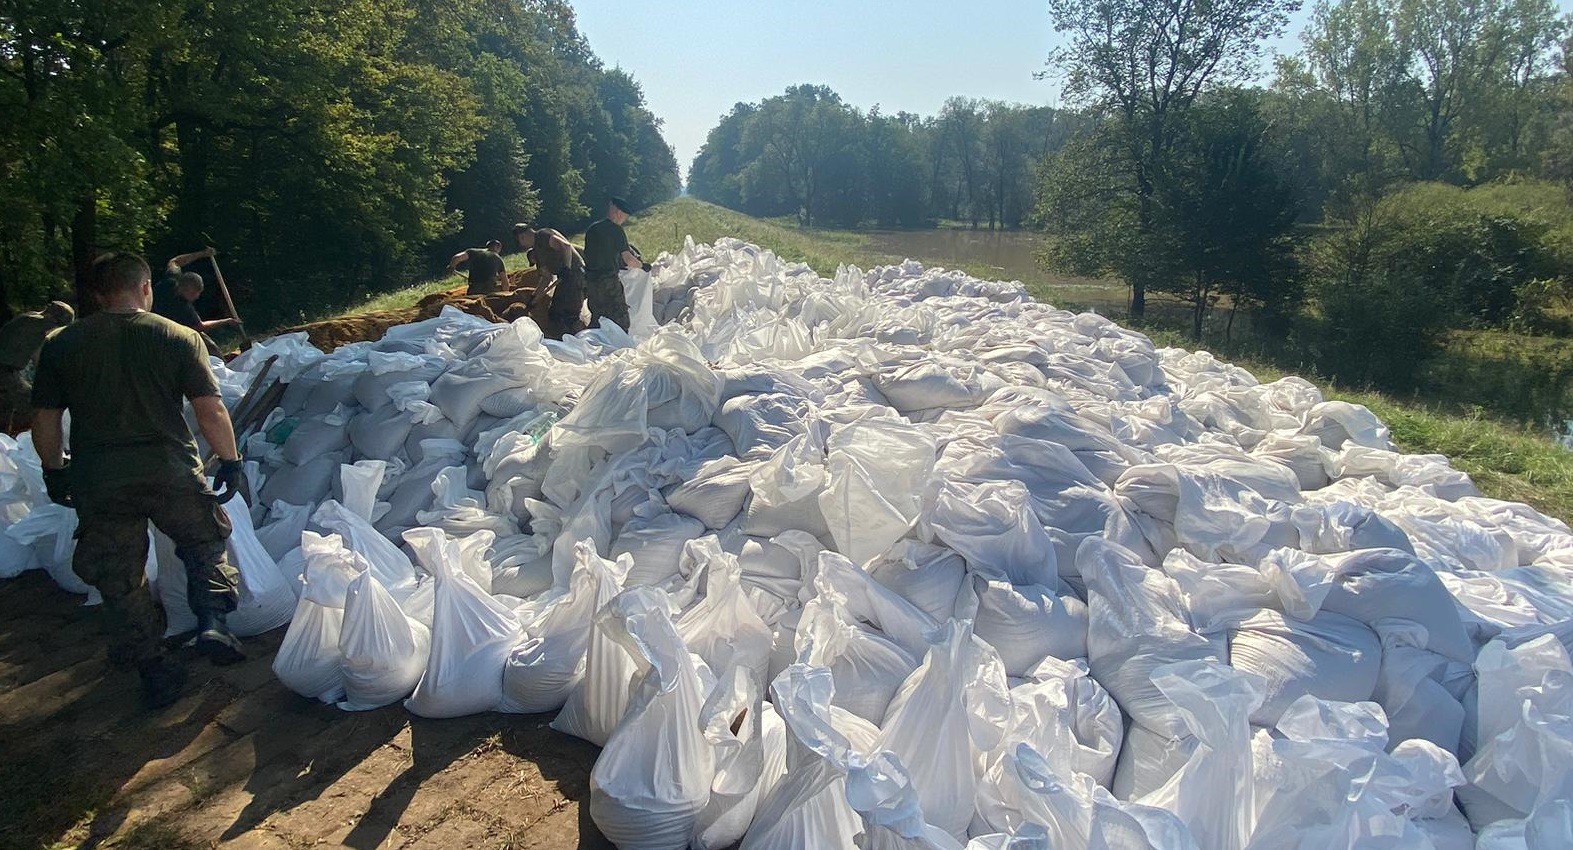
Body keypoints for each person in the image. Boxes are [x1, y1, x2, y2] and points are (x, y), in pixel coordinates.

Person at [31, 253, 251, 709]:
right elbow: (210, 408)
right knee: (204, 543)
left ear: (95, 295)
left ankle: (153, 668)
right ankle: (213, 621)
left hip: (101, 479)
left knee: (121, 576)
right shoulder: (176, 336)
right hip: (170, 468)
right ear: (146, 287)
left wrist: (54, 470)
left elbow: (46, 419)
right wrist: (230, 460)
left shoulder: (62, 345)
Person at [0, 301, 75, 432]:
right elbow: (40, 361)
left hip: (7, 370)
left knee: (6, 405)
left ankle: (4, 437)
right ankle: (26, 440)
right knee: (34, 404)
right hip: (5, 371)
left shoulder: (26, 317)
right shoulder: (45, 326)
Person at [582, 196, 644, 331]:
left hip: (591, 282)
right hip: (608, 282)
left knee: (597, 317)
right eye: (625, 217)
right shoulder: (616, 230)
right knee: (620, 319)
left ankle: (596, 346)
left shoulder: (592, 229)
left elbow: (593, 254)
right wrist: (642, 266)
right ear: (619, 213)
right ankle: (619, 348)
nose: (624, 221)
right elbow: (627, 258)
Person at [513, 223, 586, 334]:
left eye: (520, 242)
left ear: (522, 236)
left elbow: (565, 246)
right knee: (555, 312)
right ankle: (563, 337)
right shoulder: (537, 252)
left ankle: (578, 339)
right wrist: (534, 298)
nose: (522, 246)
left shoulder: (543, 235)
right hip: (565, 279)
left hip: (575, 275)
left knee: (568, 313)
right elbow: (546, 278)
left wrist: (567, 268)